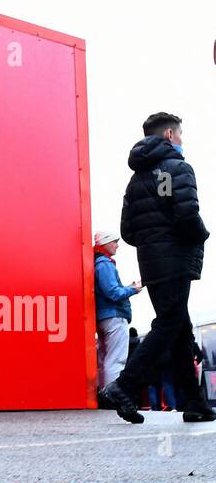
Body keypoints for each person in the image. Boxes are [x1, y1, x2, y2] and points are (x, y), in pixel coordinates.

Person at [103, 113, 214, 424]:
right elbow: (186, 214)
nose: (181, 141)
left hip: (152, 262)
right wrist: (200, 235)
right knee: (169, 323)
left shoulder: (137, 178)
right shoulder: (176, 168)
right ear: (169, 134)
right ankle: (124, 386)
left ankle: (194, 403)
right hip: (175, 259)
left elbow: (127, 231)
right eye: (180, 135)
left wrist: (153, 243)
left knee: (178, 327)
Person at [92, 229, 141, 399]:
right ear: (105, 243)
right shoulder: (105, 264)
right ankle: (113, 397)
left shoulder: (97, 263)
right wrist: (133, 289)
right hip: (114, 316)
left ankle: (103, 393)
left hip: (103, 316)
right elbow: (113, 293)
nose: (117, 245)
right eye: (114, 241)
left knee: (104, 359)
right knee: (116, 360)